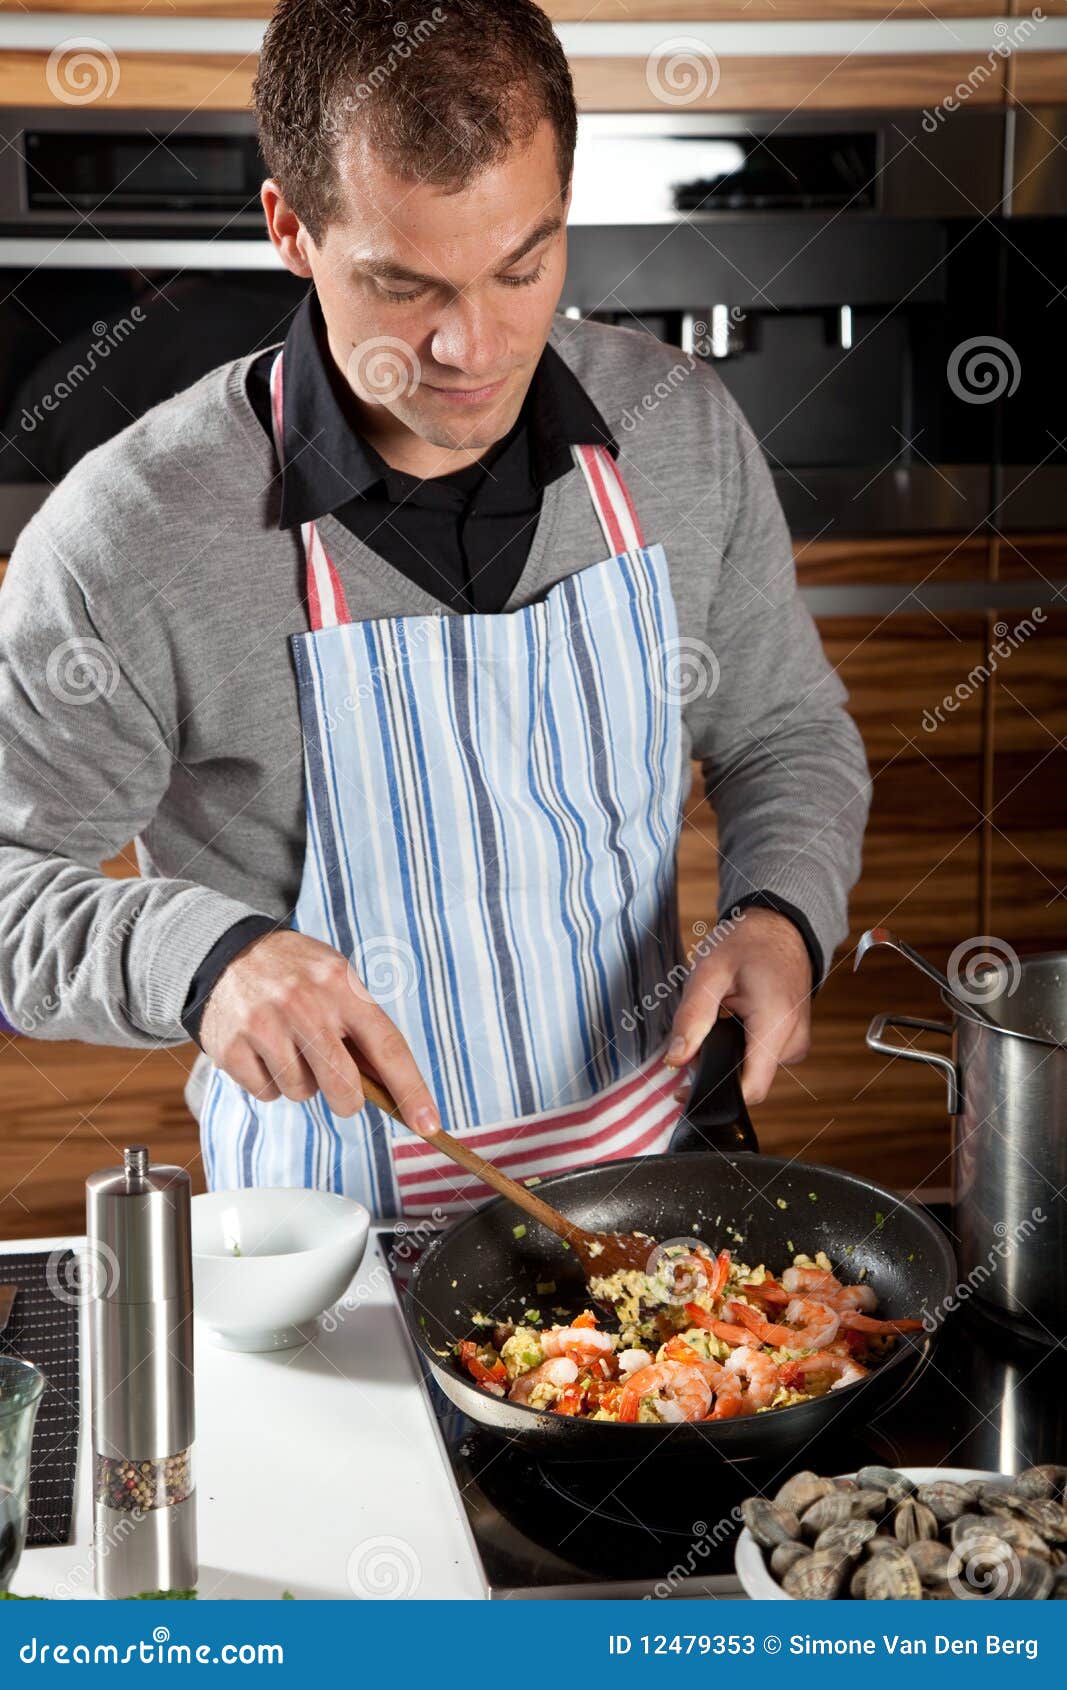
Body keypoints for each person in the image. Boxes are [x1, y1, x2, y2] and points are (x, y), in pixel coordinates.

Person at [0, 0, 870, 1217]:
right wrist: (197, 960)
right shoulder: (126, 537)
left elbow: (787, 734)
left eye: (522, 267)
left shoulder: (679, 430)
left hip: (648, 1198)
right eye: (405, 286)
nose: (474, 345)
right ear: (291, 231)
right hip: (328, 1245)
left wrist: (779, 914)